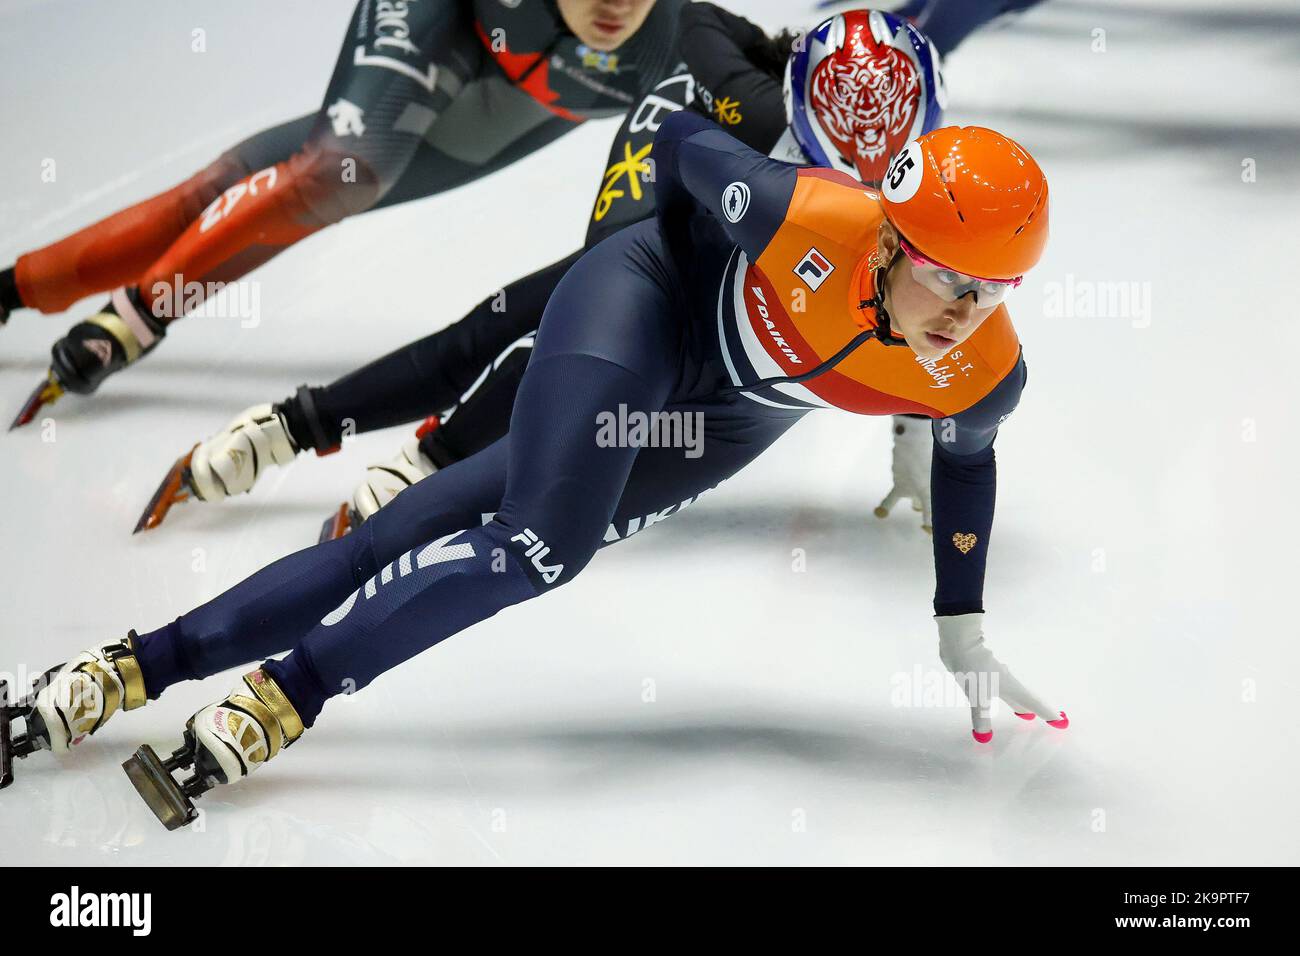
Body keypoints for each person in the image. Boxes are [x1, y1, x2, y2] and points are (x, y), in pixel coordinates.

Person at [3, 99, 1066, 826]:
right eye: (948, 278)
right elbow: (679, 138)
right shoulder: (807, 216)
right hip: (645, 307)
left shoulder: (983, 371)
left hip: (726, 415)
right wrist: (635, 252)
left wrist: (961, 625)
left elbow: (969, 462)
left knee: (422, 525)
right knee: (542, 544)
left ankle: (131, 665)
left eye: (994, 291)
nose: (964, 313)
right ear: (887, 241)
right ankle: (286, 692)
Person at [134, 6, 946, 538]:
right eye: (840, 146)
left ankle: (302, 435)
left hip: (686, 216)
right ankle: (370, 448)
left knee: (514, 331)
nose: (858, 164)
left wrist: (912, 437)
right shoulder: (747, 93)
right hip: (662, 213)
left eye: (879, 157)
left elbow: (898, 322)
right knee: (538, 337)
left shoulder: (763, 89)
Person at [1, 0, 682, 426]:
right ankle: (135, 316)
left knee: (242, 187)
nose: (617, 3)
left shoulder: (683, 37)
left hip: (501, 111)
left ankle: (13, 289)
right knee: (338, 173)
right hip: (440, 16)